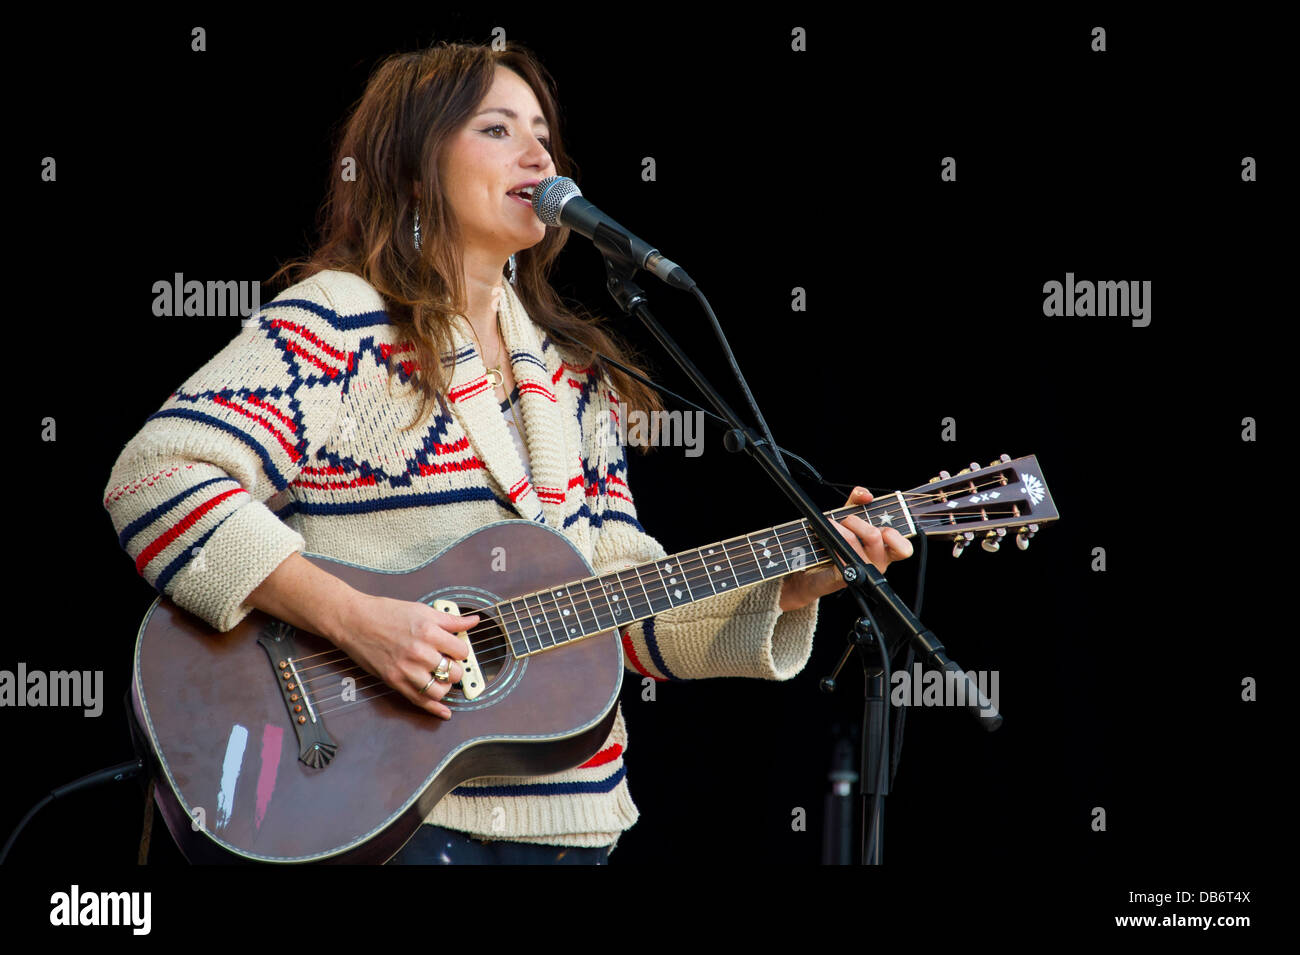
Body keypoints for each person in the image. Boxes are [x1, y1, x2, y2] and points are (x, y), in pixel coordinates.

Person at [102, 41, 913, 864]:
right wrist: (359, 620)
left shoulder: (577, 377)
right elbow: (157, 477)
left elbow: (622, 614)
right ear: (413, 167)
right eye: (497, 130)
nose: (539, 157)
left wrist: (792, 582)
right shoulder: (339, 324)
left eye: (543, 136)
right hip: (382, 811)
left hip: (573, 830)